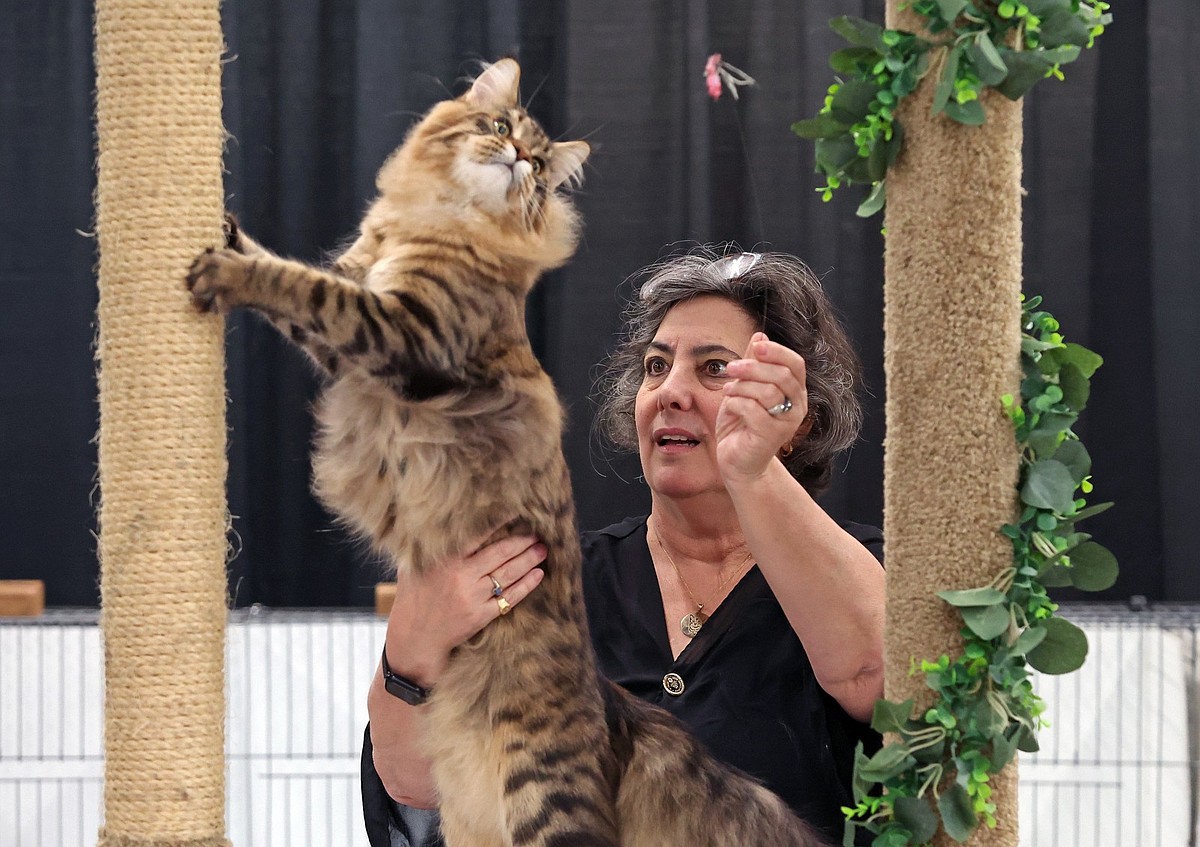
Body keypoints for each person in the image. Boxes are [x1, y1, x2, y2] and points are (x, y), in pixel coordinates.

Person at [361, 248, 886, 846]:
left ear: (799, 421)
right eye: (656, 367)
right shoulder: (549, 578)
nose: (671, 391)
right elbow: (414, 783)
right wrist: (410, 646)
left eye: (715, 369)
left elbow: (878, 679)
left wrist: (753, 470)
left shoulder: (858, 570)